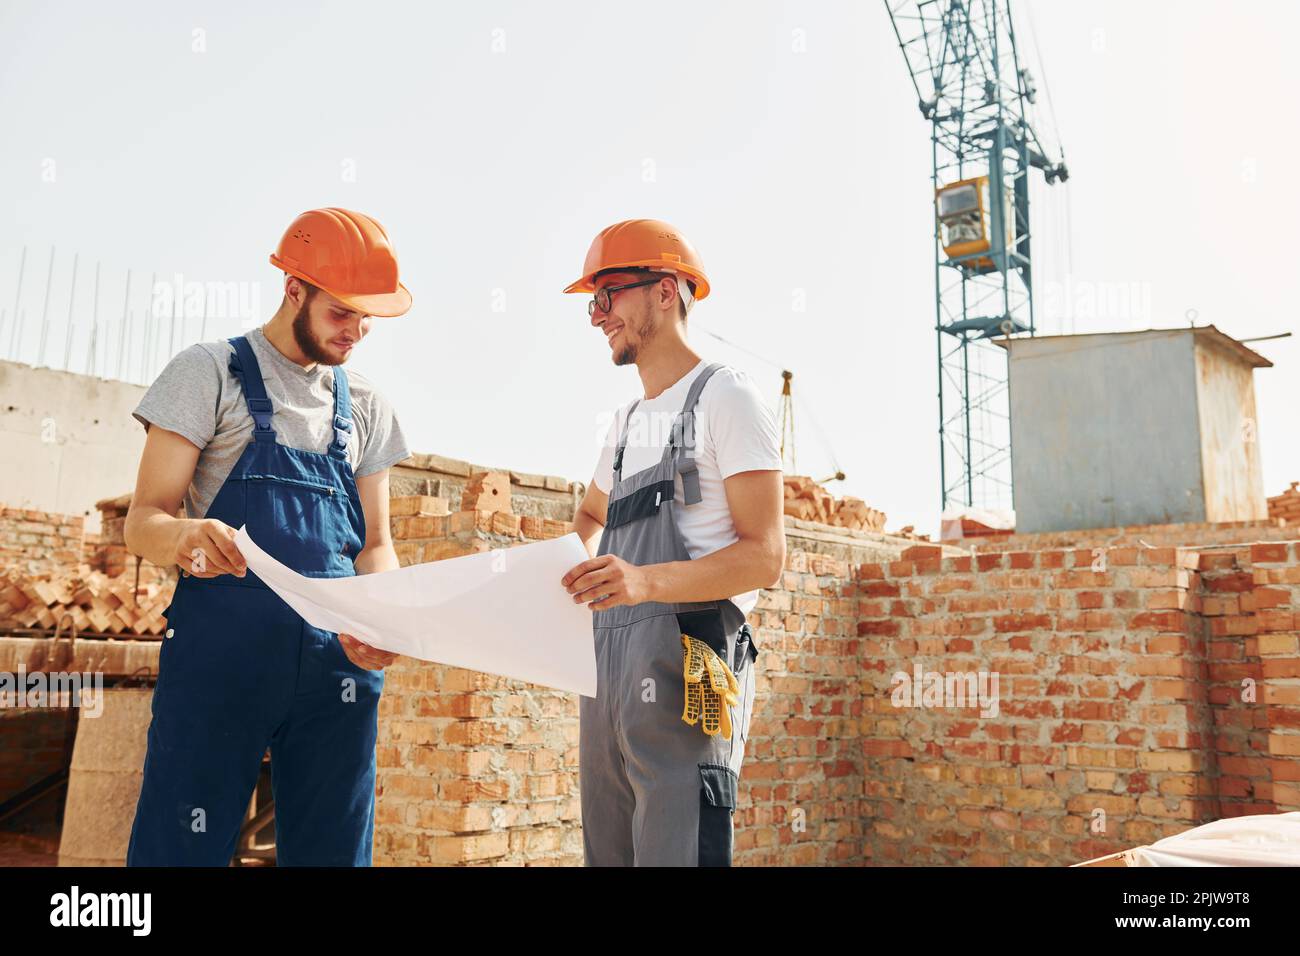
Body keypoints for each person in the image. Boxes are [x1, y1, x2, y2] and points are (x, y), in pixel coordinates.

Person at [124, 207, 412, 866]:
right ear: (295, 290)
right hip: (220, 660)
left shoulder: (366, 405)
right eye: (343, 312)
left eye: (368, 317)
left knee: (333, 852)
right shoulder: (208, 372)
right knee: (182, 846)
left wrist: (385, 616)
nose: (357, 332)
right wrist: (187, 536)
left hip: (338, 668)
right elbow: (144, 519)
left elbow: (374, 546)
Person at [559, 219, 786, 866]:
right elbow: (586, 518)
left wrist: (644, 582)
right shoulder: (627, 425)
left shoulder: (727, 399)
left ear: (664, 291)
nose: (597, 315)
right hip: (608, 679)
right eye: (592, 302)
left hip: (686, 668)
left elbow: (766, 555)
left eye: (609, 296)